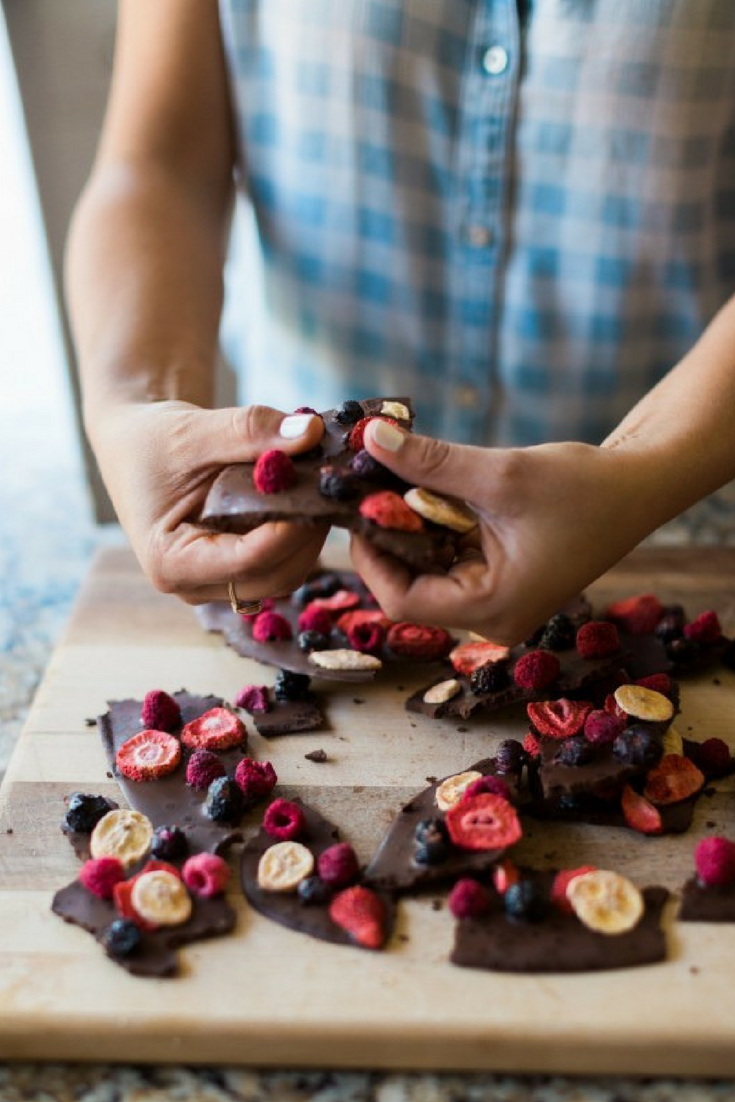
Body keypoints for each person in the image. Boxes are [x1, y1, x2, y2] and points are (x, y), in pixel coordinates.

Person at [67, 0, 735, 644]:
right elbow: (160, 163)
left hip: (682, 524)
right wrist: (135, 406)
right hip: (308, 550)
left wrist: (643, 470)